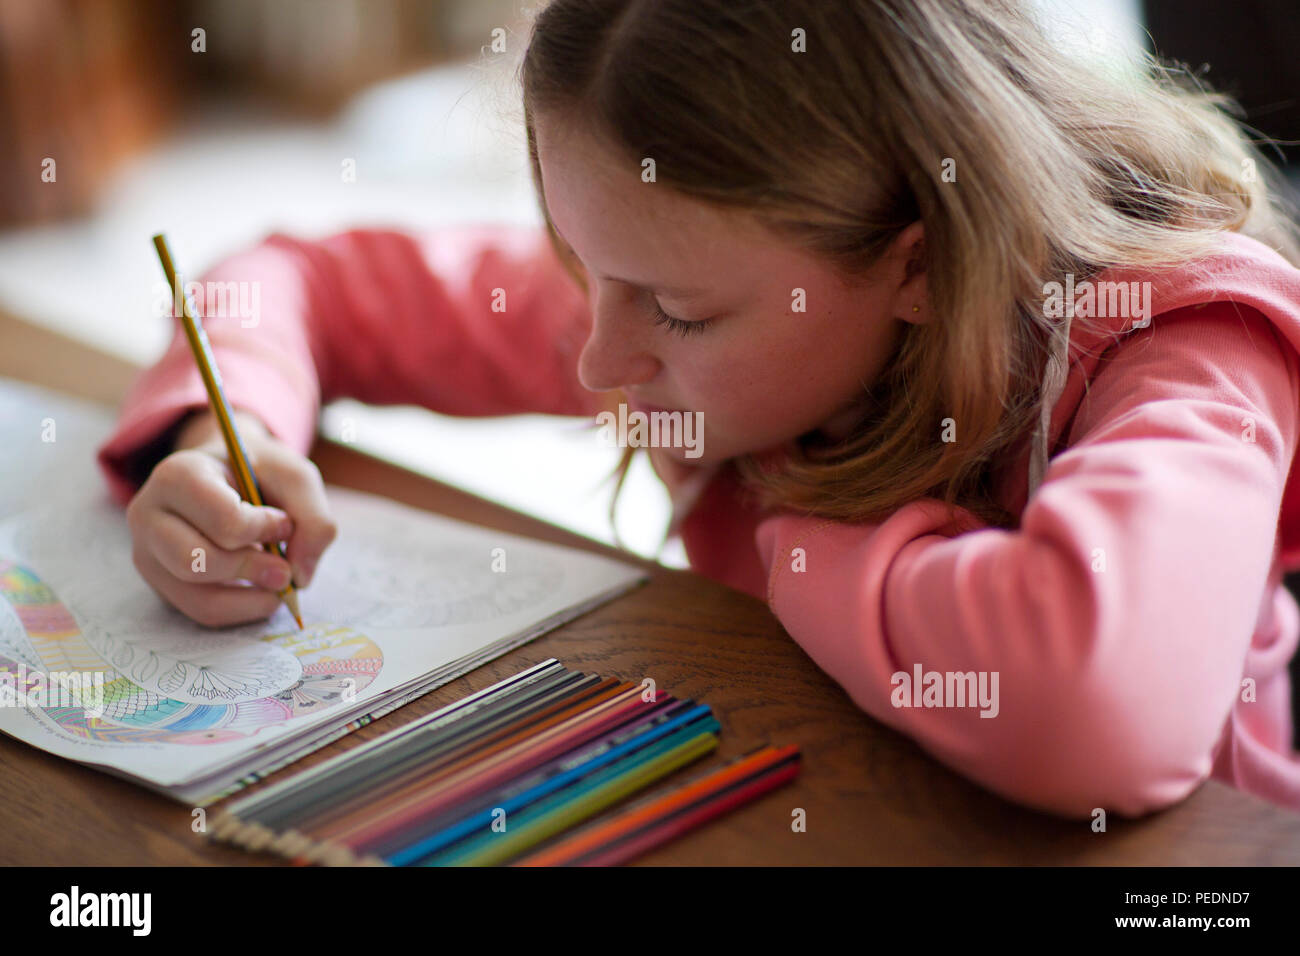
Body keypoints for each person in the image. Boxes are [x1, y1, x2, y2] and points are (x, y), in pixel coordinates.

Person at [98, 0, 1300, 819]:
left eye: (674, 309)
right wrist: (231, 436)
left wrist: (790, 536)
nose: (599, 359)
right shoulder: (694, 298)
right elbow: (289, 276)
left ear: (917, 265)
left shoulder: (1185, 347)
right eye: (579, 261)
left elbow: (1091, 704)